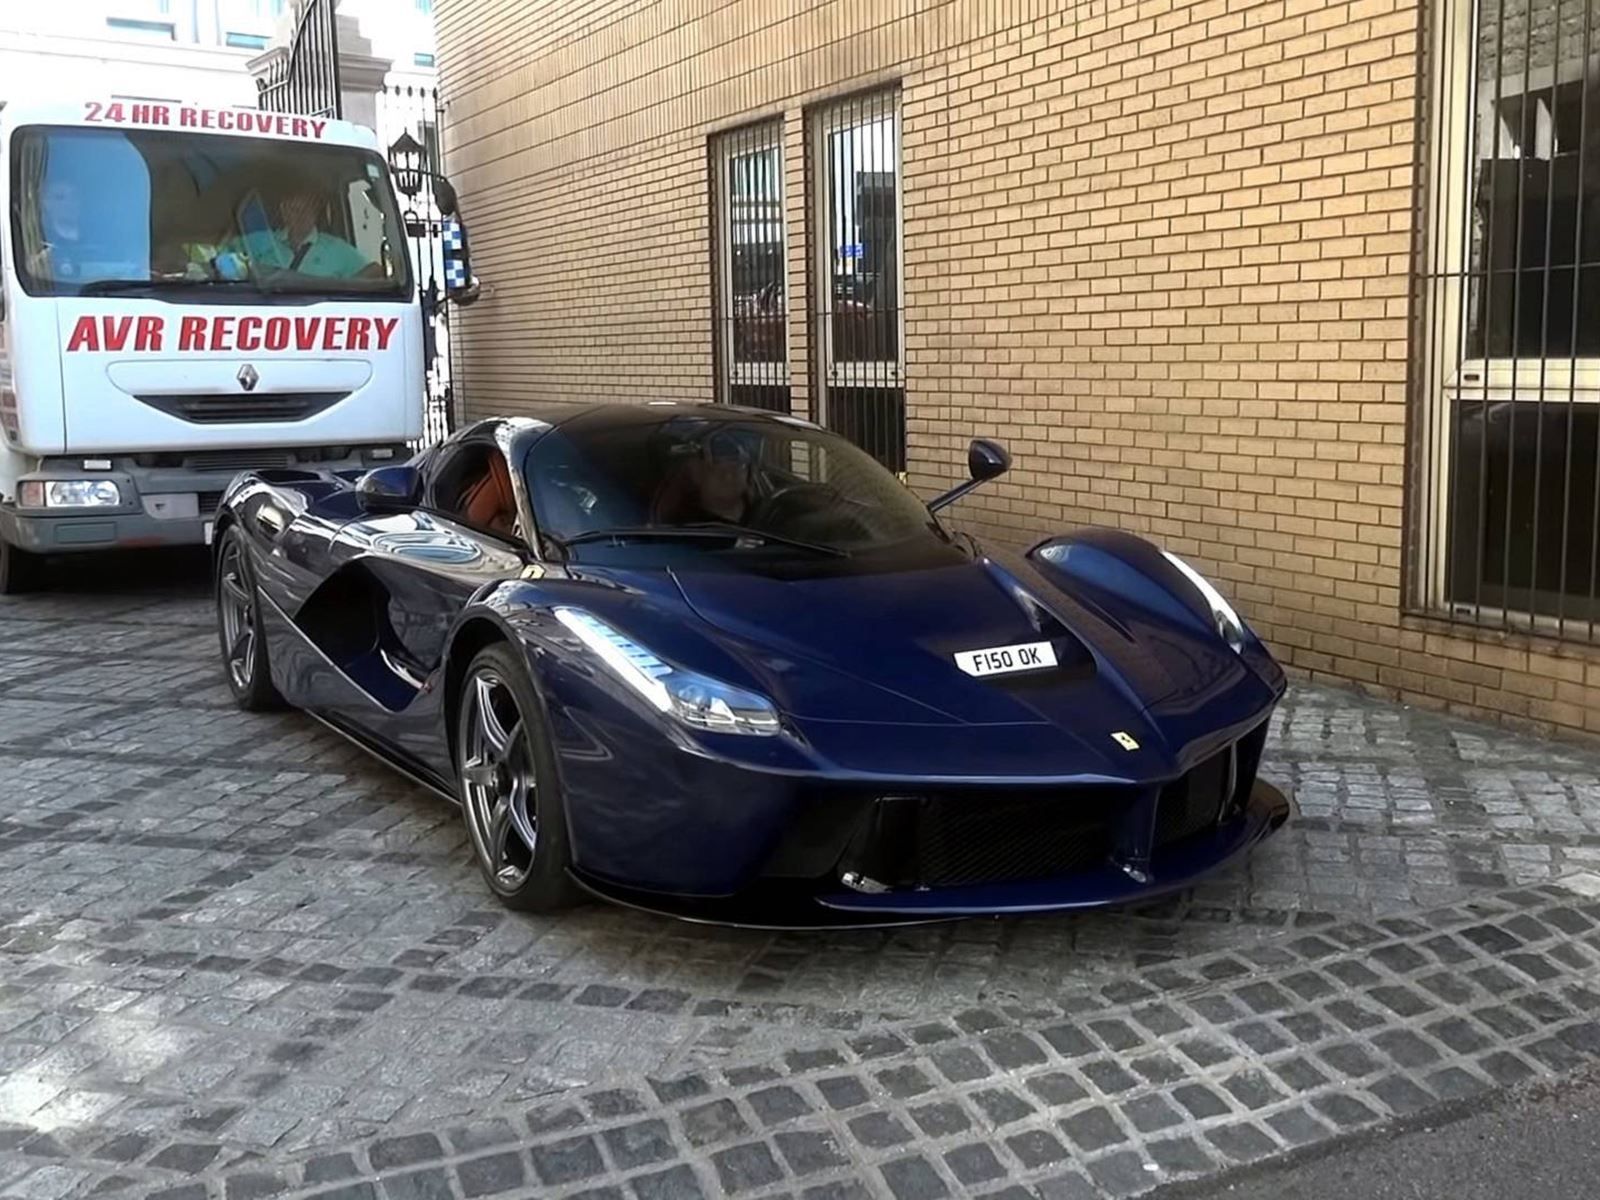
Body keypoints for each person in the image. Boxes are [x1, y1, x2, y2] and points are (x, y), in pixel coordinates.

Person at [236, 187, 374, 279]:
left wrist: (342, 290)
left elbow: (375, 271)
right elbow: (218, 251)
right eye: (295, 210)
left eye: (307, 210)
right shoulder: (260, 241)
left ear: (315, 213)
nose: (301, 215)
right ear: (284, 211)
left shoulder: (336, 248)